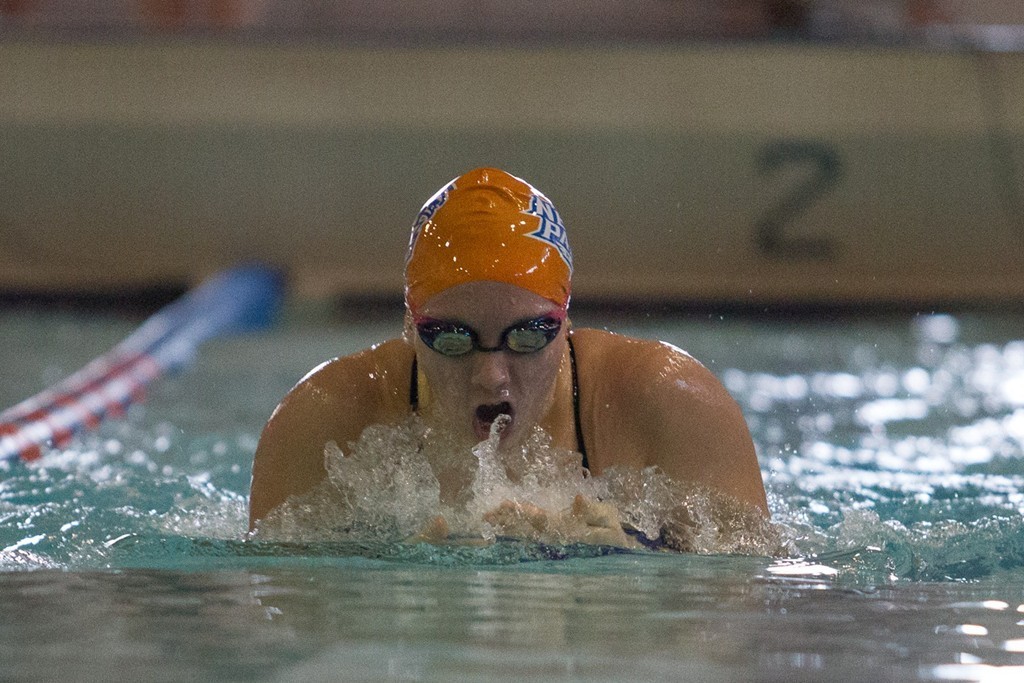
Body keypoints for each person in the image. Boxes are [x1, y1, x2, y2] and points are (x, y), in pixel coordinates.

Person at [249, 168, 768, 547]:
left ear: (564, 322)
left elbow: (756, 595)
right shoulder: (321, 423)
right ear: (410, 326)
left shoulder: (670, 406)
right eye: (452, 337)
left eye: (526, 336)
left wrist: (629, 559)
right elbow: (280, 611)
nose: (492, 375)